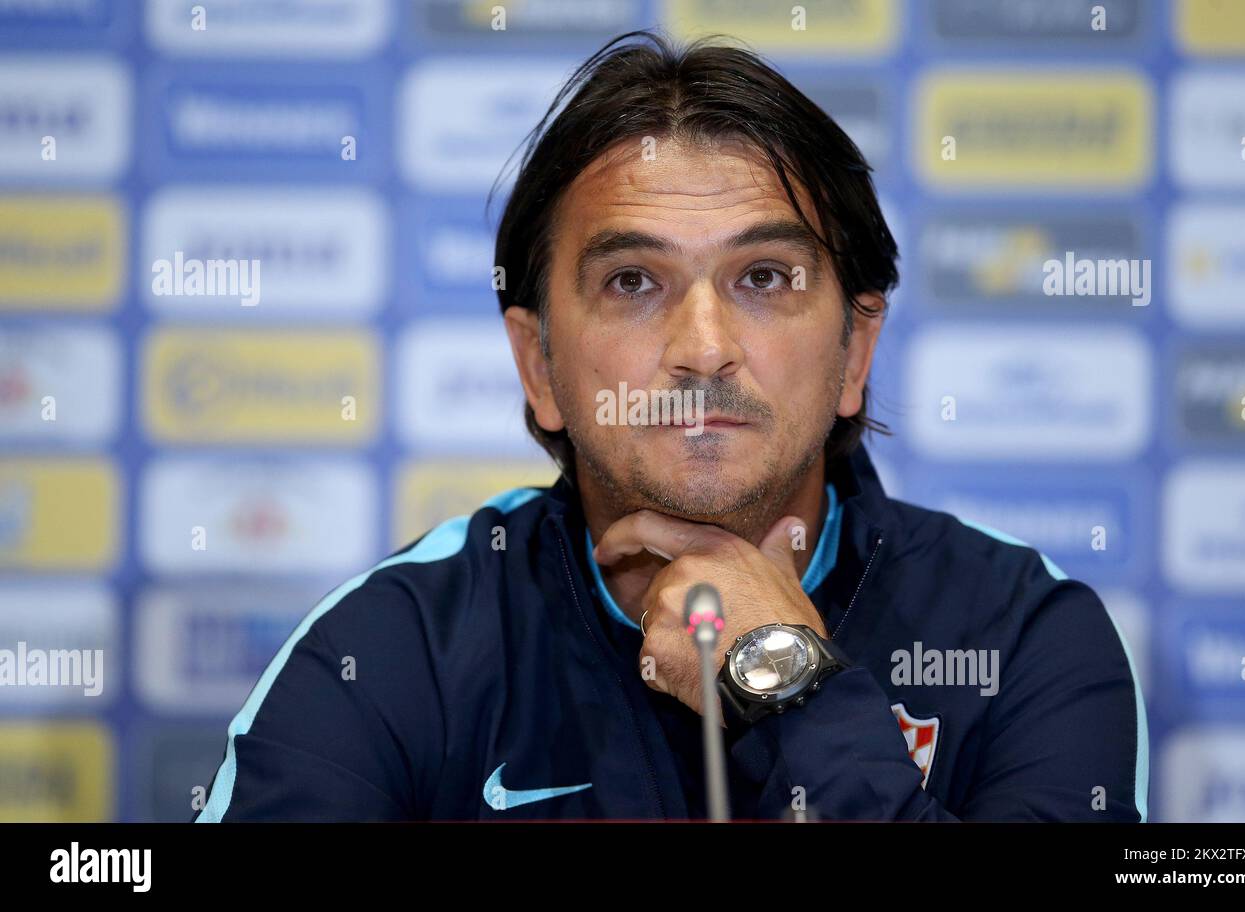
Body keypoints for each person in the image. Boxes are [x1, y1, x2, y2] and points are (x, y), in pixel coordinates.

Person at [194, 30, 1147, 822]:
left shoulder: (1020, 634)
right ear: (541, 367)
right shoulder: (393, 649)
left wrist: (788, 679)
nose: (702, 349)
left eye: (765, 278)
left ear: (855, 350)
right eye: (633, 282)